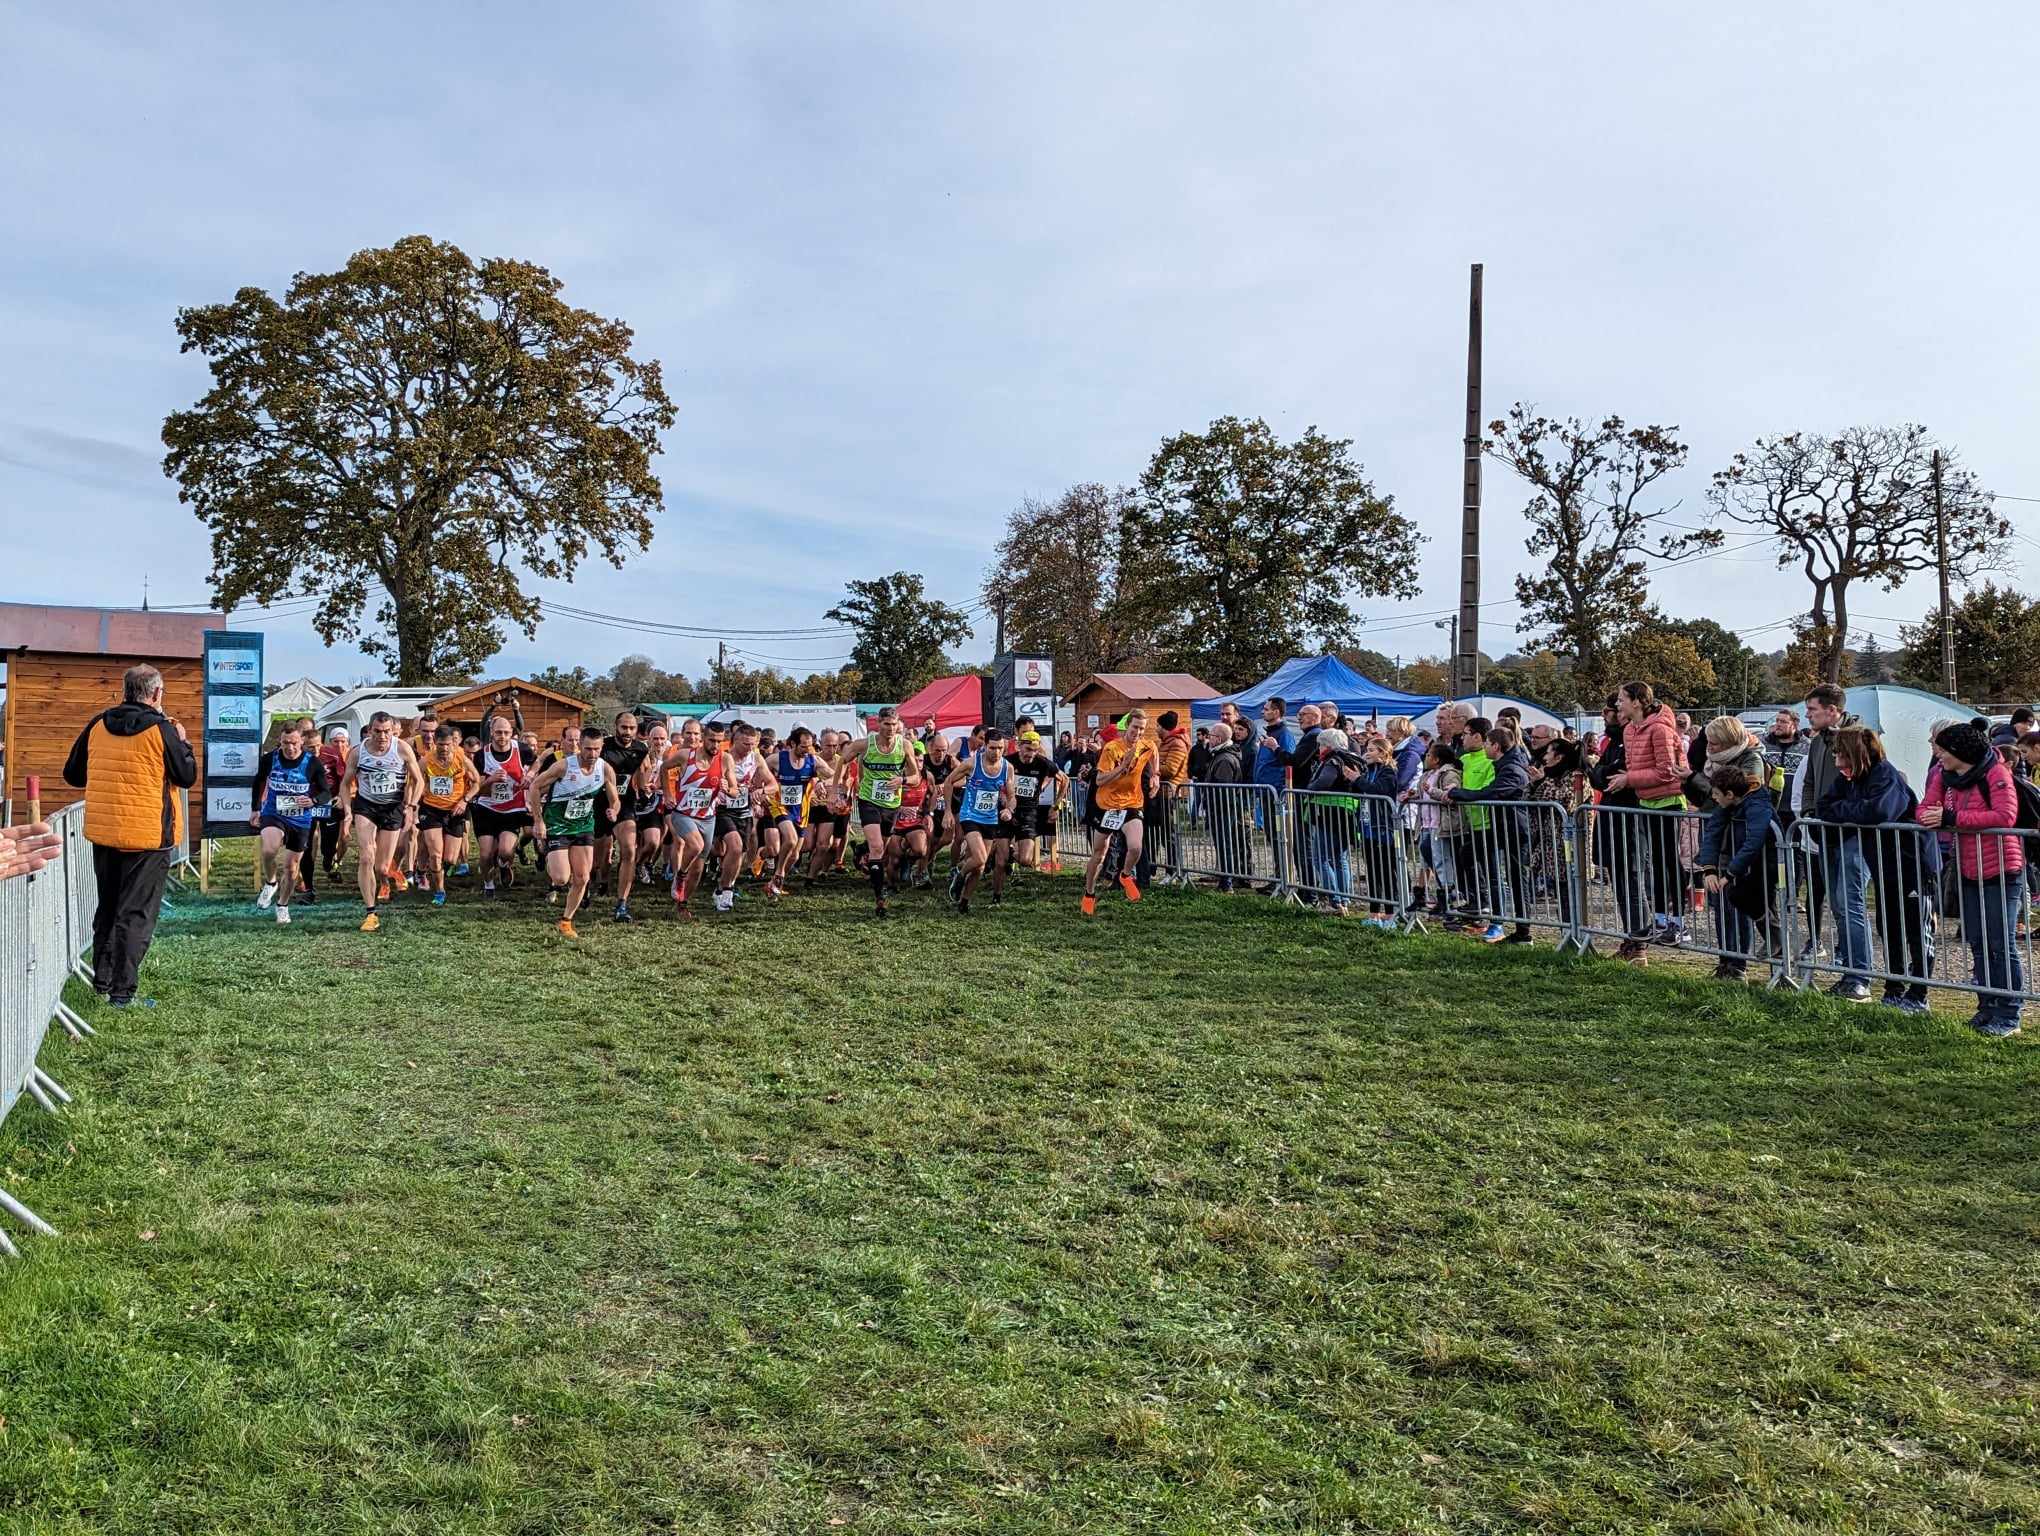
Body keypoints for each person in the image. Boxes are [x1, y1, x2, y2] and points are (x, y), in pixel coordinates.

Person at [61, 665, 199, 1007]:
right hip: (148, 837)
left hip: (105, 834)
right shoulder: (164, 730)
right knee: (135, 914)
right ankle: (122, 994)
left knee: (108, 908)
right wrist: (184, 744)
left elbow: (73, 775)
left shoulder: (97, 725)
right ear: (156, 694)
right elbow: (186, 776)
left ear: (125, 691)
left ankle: (103, 982)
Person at [1817, 725, 1934, 1010]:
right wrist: (1854, 811)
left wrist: (1849, 812)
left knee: (1915, 929)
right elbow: (1824, 806)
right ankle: (1893, 988)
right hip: (1880, 860)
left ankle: (1919, 993)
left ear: (1855, 754)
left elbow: (1879, 811)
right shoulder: (1851, 779)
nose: (1837, 762)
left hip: (1910, 861)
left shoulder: (1885, 775)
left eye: (1840, 755)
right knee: (1888, 924)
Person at [1918, 723, 2024, 1036]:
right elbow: (1925, 808)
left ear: (1960, 751)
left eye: (1942, 748)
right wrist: (1932, 817)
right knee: (1977, 941)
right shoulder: (1942, 774)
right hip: (1966, 867)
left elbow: (2005, 817)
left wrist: (1951, 820)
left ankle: (2009, 1013)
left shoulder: (1996, 773)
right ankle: (1986, 1007)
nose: (1938, 754)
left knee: (2000, 944)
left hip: (2002, 868)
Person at [1604, 681, 1687, 963]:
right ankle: (1661, 919)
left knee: (1668, 861)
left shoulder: (1661, 729)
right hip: (1645, 802)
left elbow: (1666, 771)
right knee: (1656, 865)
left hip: (1669, 801)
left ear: (1637, 701)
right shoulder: (1629, 730)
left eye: (1621, 699)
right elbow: (1632, 765)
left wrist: (1628, 779)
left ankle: (1677, 920)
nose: (1618, 704)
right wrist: (1624, 777)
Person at [1800, 684, 1871, 985]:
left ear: (1833, 710)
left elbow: (1865, 785)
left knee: (1850, 903)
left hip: (1852, 835)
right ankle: (1848, 968)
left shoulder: (1860, 739)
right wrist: (1808, 813)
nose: (1808, 716)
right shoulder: (1818, 742)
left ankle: (1859, 973)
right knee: (1838, 905)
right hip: (1824, 834)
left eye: (1813, 711)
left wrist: (1839, 814)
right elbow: (1809, 783)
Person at [526, 723, 620, 938]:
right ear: (581, 746)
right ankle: (545, 847)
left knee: (582, 877)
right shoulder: (564, 766)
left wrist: (613, 811)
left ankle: (566, 921)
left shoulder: (604, 768)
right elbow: (535, 787)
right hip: (558, 826)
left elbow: (615, 799)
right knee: (560, 878)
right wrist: (538, 821)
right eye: (587, 748)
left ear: (602, 747)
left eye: (596, 749)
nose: (592, 754)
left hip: (584, 826)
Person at [339, 711, 425, 932]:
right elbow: (345, 784)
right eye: (378, 731)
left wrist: (411, 807)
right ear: (369, 731)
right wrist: (348, 811)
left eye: (386, 731)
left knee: (382, 866)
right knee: (366, 857)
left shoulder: (402, 749)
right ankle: (370, 913)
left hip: (392, 808)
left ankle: (388, 878)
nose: (383, 736)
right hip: (366, 806)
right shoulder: (358, 753)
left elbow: (419, 781)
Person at [1449, 724, 1533, 944]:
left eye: (1486, 743)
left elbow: (1491, 792)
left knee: (1517, 879)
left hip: (1515, 829)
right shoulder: (1503, 764)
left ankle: (1523, 932)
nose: (1484, 747)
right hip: (1500, 827)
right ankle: (1479, 902)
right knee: (1468, 853)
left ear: (1496, 746)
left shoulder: (1512, 768)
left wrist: (1459, 793)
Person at [1695, 765, 1779, 983]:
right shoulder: (1728, 804)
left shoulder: (1757, 804)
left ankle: (1780, 964)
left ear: (1730, 794)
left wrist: (1730, 873)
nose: (1714, 799)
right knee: (1738, 897)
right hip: (1747, 862)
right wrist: (1710, 869)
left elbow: (1754, 841)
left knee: (1765, 903)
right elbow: (1712, 832)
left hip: (1770, 861)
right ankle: (1774, 944)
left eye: (1716, 794)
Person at [248, 720, 330, 923]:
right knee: (268, 849)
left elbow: (326, 791)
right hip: (274, 813)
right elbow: (258, 781)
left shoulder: (312, 762)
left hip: (300, 818)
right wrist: (255, 809)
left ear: (301, 741)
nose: (290, 748)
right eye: (285, 743)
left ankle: (282, 905)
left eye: (294, 743)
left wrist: (312, 800)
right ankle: (271, 882)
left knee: (292, 868)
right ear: (280, 741)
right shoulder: (270, 759)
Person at [839, 708, 915, 917]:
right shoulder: (865, 744)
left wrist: (903, 780)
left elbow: (916, 777)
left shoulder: (905, 745)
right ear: (878, 724)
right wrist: (836, 789)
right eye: (886, 724)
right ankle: (879, 897)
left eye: (894, 724)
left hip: (891, 804)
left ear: (899, 724)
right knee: (877, 847)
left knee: (880, 848)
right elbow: (842, 760)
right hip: (868, 800)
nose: (890, 729)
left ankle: (860, 849)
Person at [1082, 706, 1157, 915]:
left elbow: (1154, 751)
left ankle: (1125, 875)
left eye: (1142, 729)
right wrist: (1122, 767)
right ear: (1127, 726)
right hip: (1108, 804)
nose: (1138, 733)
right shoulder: (1111, 748)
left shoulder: (1146, 745)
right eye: (1135, 728)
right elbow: (1099, 779)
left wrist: (1156, 775)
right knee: (1100, 853)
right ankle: (1089, 892)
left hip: (1132, 802)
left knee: (1135, 847)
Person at [945, 731, 1017, 913]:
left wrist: (1009, 809)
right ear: (985, 745)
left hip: (990, 819)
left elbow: (1011, 796)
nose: (996, 752)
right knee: (980, 857)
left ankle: (964, 902)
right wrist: (947, 811)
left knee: (980, 866)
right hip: (970, 815)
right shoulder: (972, 763)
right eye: (992, 748)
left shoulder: (1007, 767)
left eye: (1000, 748)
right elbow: (948, 781)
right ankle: (959, 876)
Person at [414, 723, 480, 908]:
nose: (444, 748)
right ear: (435, 742)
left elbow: (477, 782)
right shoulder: (426, 761)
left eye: (447, 744)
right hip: (431, 809)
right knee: (436, 855)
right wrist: (413, 802)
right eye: (440, 744)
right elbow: (415, 782)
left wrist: (465, 800)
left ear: (454, 743)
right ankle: (440, 890)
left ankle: (426, 869)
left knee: (449, 859)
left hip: (455, 810)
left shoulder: (462, 758)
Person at [470, 711, 535, 897]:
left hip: (513, 808)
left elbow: (536, 764)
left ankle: (504, 864)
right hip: (487, 808)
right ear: (491, 733)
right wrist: (490, 781)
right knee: (485, 854)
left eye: (506, 732)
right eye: (498, 733)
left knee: (506, 851)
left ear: (511, 732)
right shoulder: (482, 755)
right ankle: (488, 883)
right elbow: (478, 788)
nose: (502, 737)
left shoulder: (522, 749)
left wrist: (529, 776)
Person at [1203, 721, 1248, 890]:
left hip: (1223, 808)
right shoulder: (1220, 755)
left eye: (1211, 736)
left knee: (1225, 844)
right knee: (1223, 843)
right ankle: (1225, 879)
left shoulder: (1224, 759)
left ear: (1219, 738)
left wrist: (1214, 805)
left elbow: (1223, 788)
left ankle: (1226, 881)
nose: (1209, 739)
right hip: (1221, 808)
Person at [311, 724, 352, 885]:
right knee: (309, 837)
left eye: (343, 741)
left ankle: (329, 859)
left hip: (332, 801)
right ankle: (306, 873)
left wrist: (342, 797)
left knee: (334, 839)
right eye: (336, 741)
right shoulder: (300, 755)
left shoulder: (334, 755)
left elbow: (344, 779)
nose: (340, 745)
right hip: (309, 802)